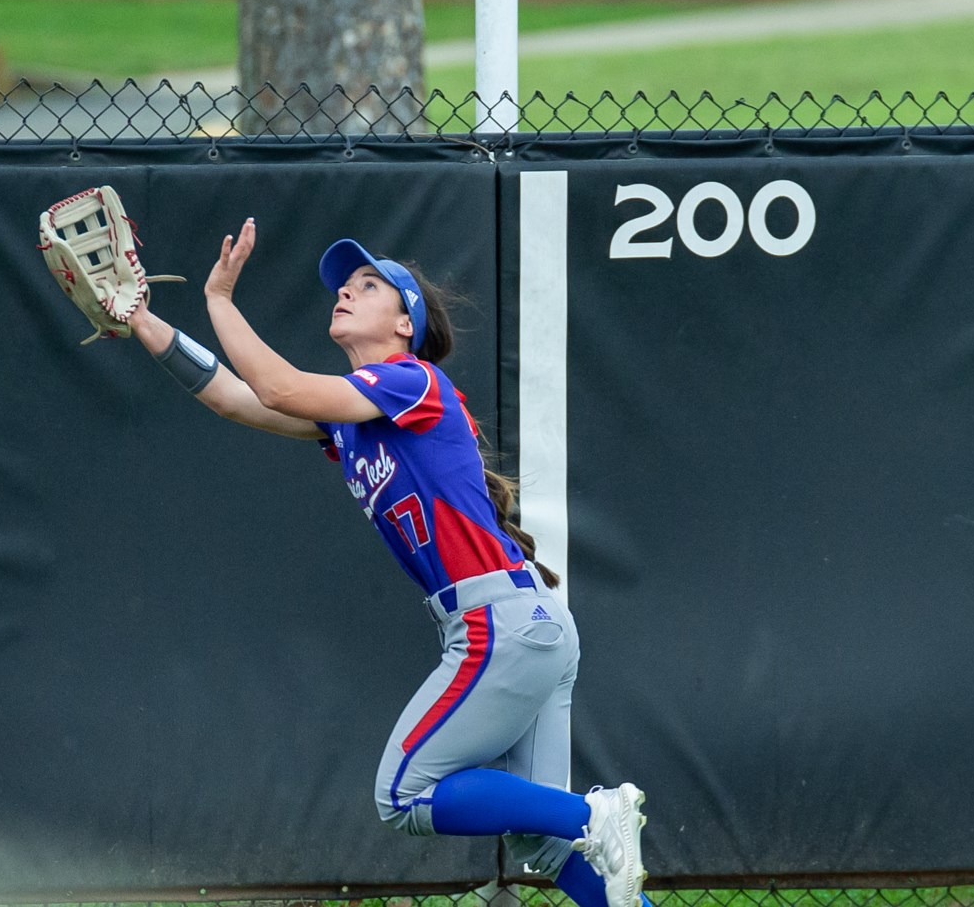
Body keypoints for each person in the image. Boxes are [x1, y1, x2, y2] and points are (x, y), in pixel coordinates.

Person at [126, 217, 651, 907]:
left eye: (366, 285)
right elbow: (233, 396)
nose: (344, 292)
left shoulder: (412, 380)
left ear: (404, 324)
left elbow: (279, 389)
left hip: (498, 625)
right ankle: (593, 838)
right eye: (343, 286)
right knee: (546, 849)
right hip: (524, 624)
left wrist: (221, 301)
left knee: (405, 793)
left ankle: (593, 814)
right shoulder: (351, 416)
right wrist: (139, 318)